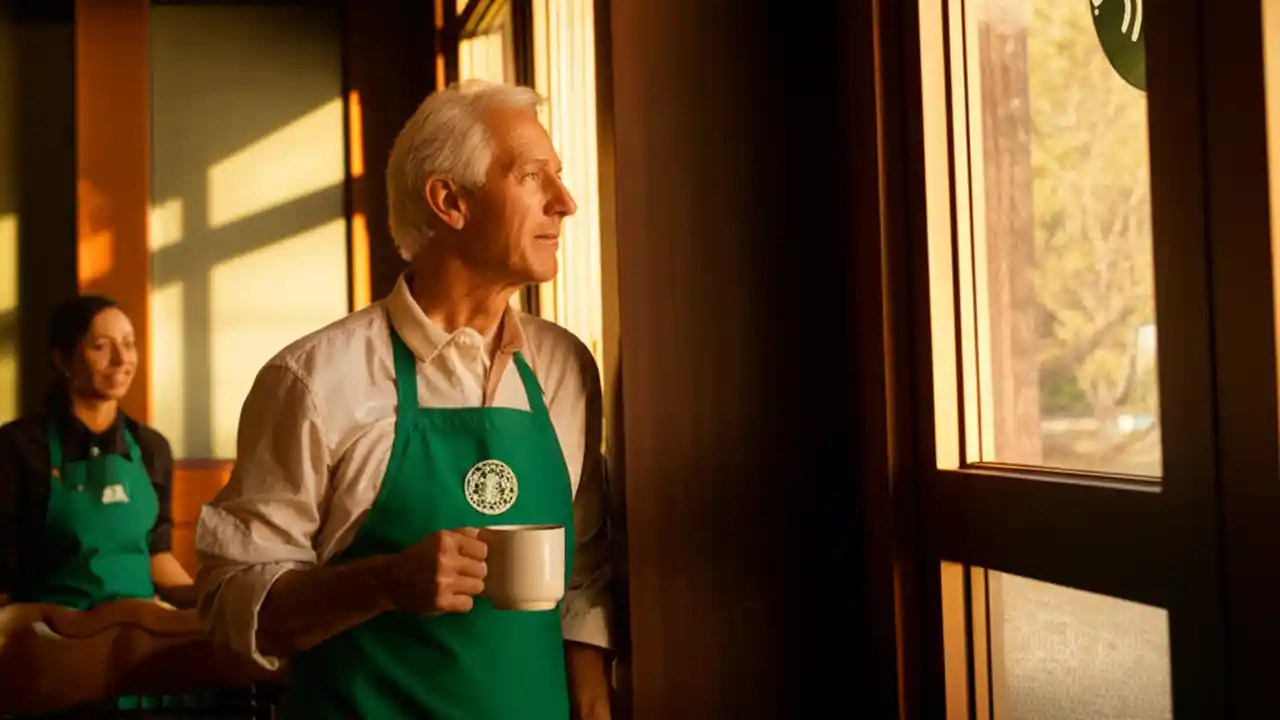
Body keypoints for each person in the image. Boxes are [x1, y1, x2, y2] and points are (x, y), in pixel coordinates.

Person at [195, 79, 615, 719]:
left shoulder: (563, 368)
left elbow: (582, 565)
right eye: (533, 177)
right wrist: (384, 582)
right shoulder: (313, 381)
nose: (566, 203)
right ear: (449, 200)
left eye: (558, 177)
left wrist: (589, 686)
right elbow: (235, 611)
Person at [0, 294, 198, 713]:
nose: (121, 359)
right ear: (63, 359)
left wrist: (208, 604)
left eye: (129, 343)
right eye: (100, 345)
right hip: (54, 653)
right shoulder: (19, 447)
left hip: (141, 652)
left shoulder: (151, 449)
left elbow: (156, 555)